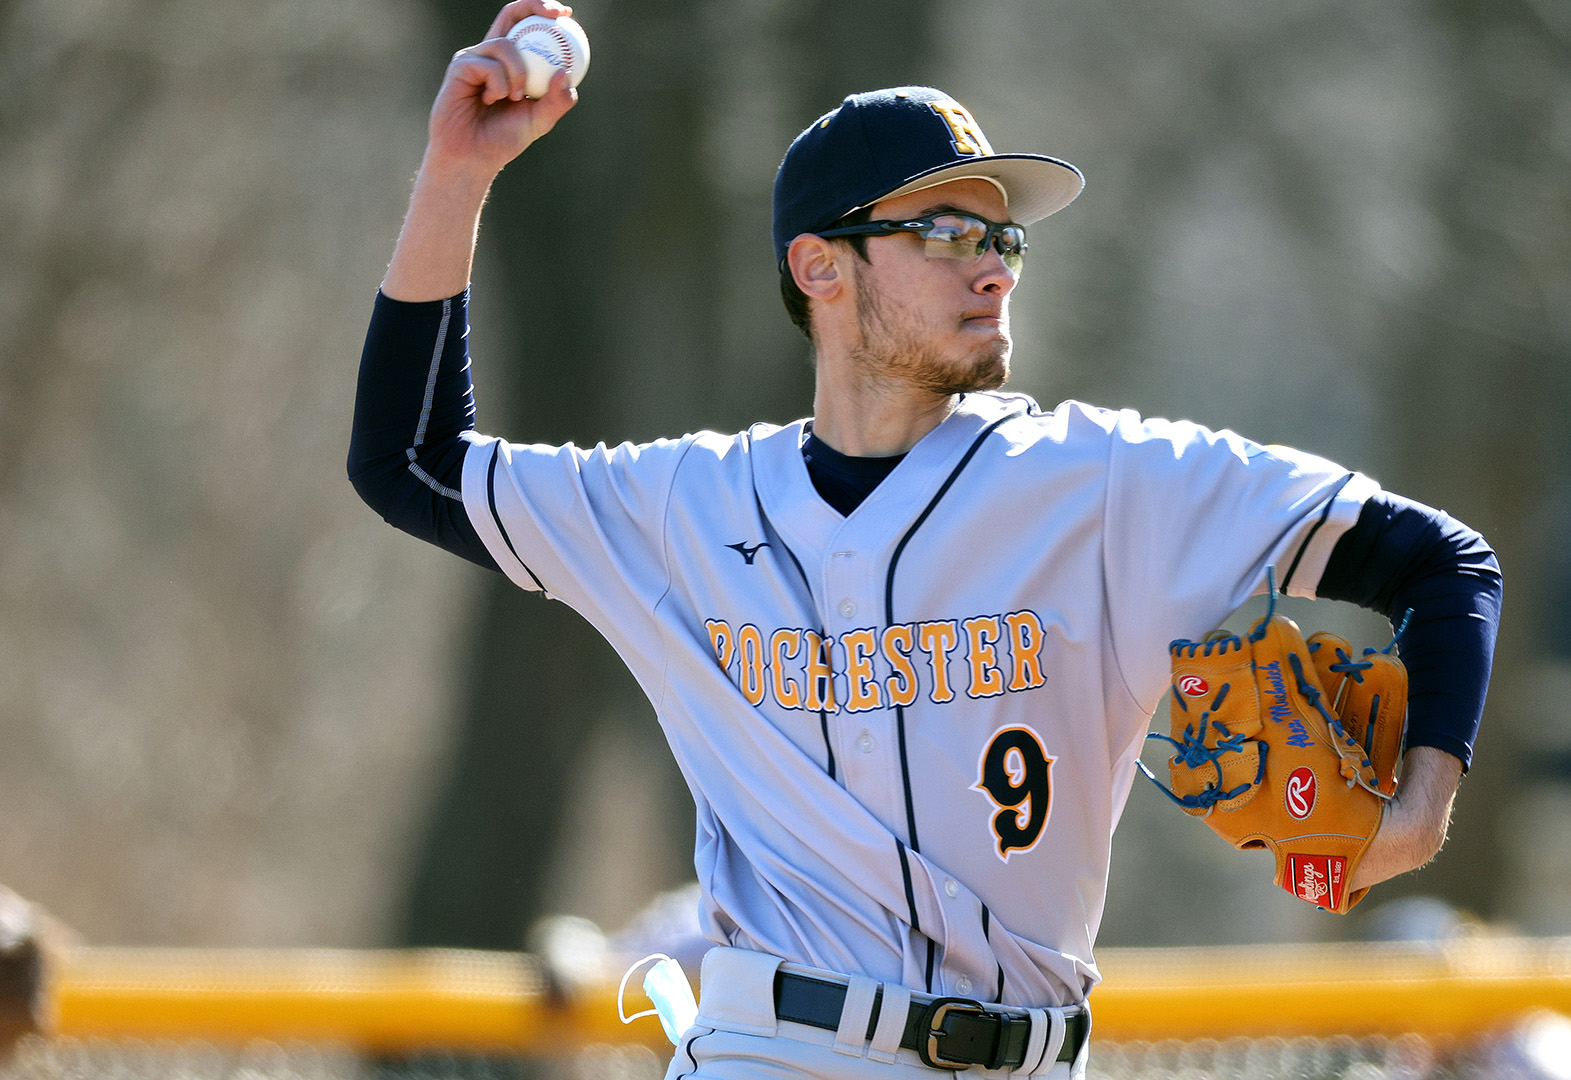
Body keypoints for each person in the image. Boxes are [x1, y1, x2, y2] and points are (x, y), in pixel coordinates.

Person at [348, 2, 1502, 1075]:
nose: (994, 264)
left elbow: (1444, 564)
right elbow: (408, 462)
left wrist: (1423, 803)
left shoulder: (1109, 482)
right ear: (820, 265)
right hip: (778, 1048)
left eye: (1003, 238)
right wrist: (461, 171)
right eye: (947, 230)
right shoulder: (680, 508)